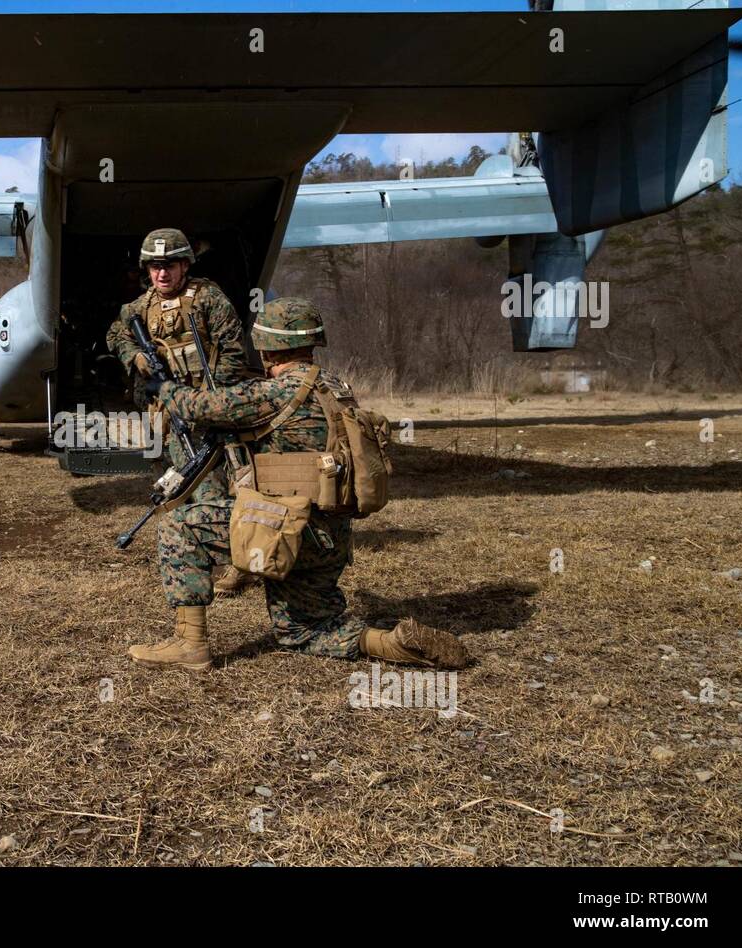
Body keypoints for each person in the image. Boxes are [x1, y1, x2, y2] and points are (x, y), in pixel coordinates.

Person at [127, 297, 469, 673]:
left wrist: (162, 387)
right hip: (328, 537)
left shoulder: (279, 392)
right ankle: (394, 643)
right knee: (305, 630)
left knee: (179, 526)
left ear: (267, 348)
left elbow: (202, 406)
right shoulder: (337, 388)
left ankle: (190, 646)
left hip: (286, 533)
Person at [105, 227, 254, 593]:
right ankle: (199, 552)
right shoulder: (141, 307)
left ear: (185, 265)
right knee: (181, 484)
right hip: (169, 416)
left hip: (208, 409)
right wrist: (135, 356)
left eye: (170, 265)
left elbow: (234, 354)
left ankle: (238, 562)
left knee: (218, 487)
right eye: (155, 266)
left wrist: (206, 401)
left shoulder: (208, 299)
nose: (162, 274)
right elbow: (115, 334)